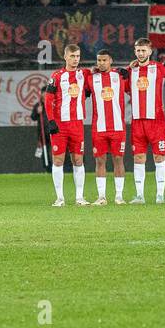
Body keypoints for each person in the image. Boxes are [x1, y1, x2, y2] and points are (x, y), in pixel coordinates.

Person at [43, 44, 89, 207]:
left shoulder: (84, 74)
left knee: (78, 160)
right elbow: (47, 100)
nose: (75, 59)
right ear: (65, 57)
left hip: (77, 124)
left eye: (77, 56)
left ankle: (79, 198)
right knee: (58, 160)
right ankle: (60, 198)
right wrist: (51, 121)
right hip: (60, 125)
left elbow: (102, 69)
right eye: (72, 56)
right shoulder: (56, 76)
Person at [125, 37, 165, 203]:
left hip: (156, 121)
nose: (141, 53)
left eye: (144, 50)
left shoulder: (160, 68)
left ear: (150, 51)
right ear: (134, 52)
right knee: (138, 158)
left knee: (159, 157)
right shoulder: (130, 71)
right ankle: (140, 195)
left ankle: (160, 195)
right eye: (138, 50)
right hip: (137, 121)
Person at [87, 49, 126, 204]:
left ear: (111, 60)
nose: (101, 63)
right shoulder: (91, 78)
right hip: (99, 128)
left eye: (104, 60)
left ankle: (119, 196)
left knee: (118, 160)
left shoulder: (120, 76)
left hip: (118, 127)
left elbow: (136, 68)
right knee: (100, 161)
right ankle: (101, 196)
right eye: (99, 60)